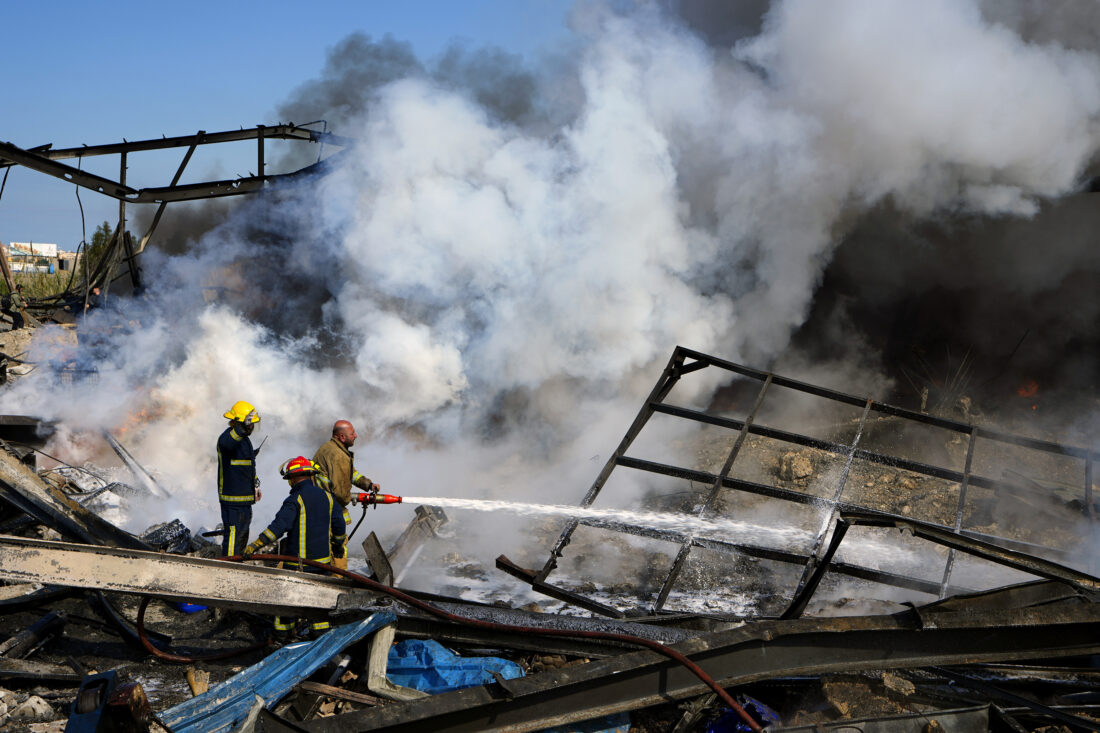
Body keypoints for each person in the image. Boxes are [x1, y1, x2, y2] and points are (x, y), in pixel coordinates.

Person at [244, 456, 346, 640]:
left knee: (287, 601)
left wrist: (255, 545)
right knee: (318, 603)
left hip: (298, 566)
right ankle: (320, 638)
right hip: (322, 566)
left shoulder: (295, 499)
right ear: (310, 474)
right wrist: (338, 546)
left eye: (290, 478)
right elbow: (340, 527)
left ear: (293, 478)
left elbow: (278, 528)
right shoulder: (328, 497)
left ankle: (282, 636)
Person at [312, 420, 380, 569]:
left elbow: (351, 474)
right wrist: (349, 499)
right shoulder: (338, 456)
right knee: (337, 548)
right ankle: (337, 576)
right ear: (342, 437)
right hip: (331, 511)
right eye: (352, 433)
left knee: (323, 546)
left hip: (321, 506)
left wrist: (368, 484)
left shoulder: (329, 448)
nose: (356, 436)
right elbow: (341, 492)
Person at [217, 400, 262, 557]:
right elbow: (227, 444)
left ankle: (237, 563)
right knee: (232, 538)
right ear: (240, 423)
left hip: (244, 501)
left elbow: (246, 466)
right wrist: (242, 428)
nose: (252, 427)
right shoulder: (227, 437)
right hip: (232, 502)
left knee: (241, 537)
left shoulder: (244, 441)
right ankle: (228, 566)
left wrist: (255, 483)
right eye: (249, 424)